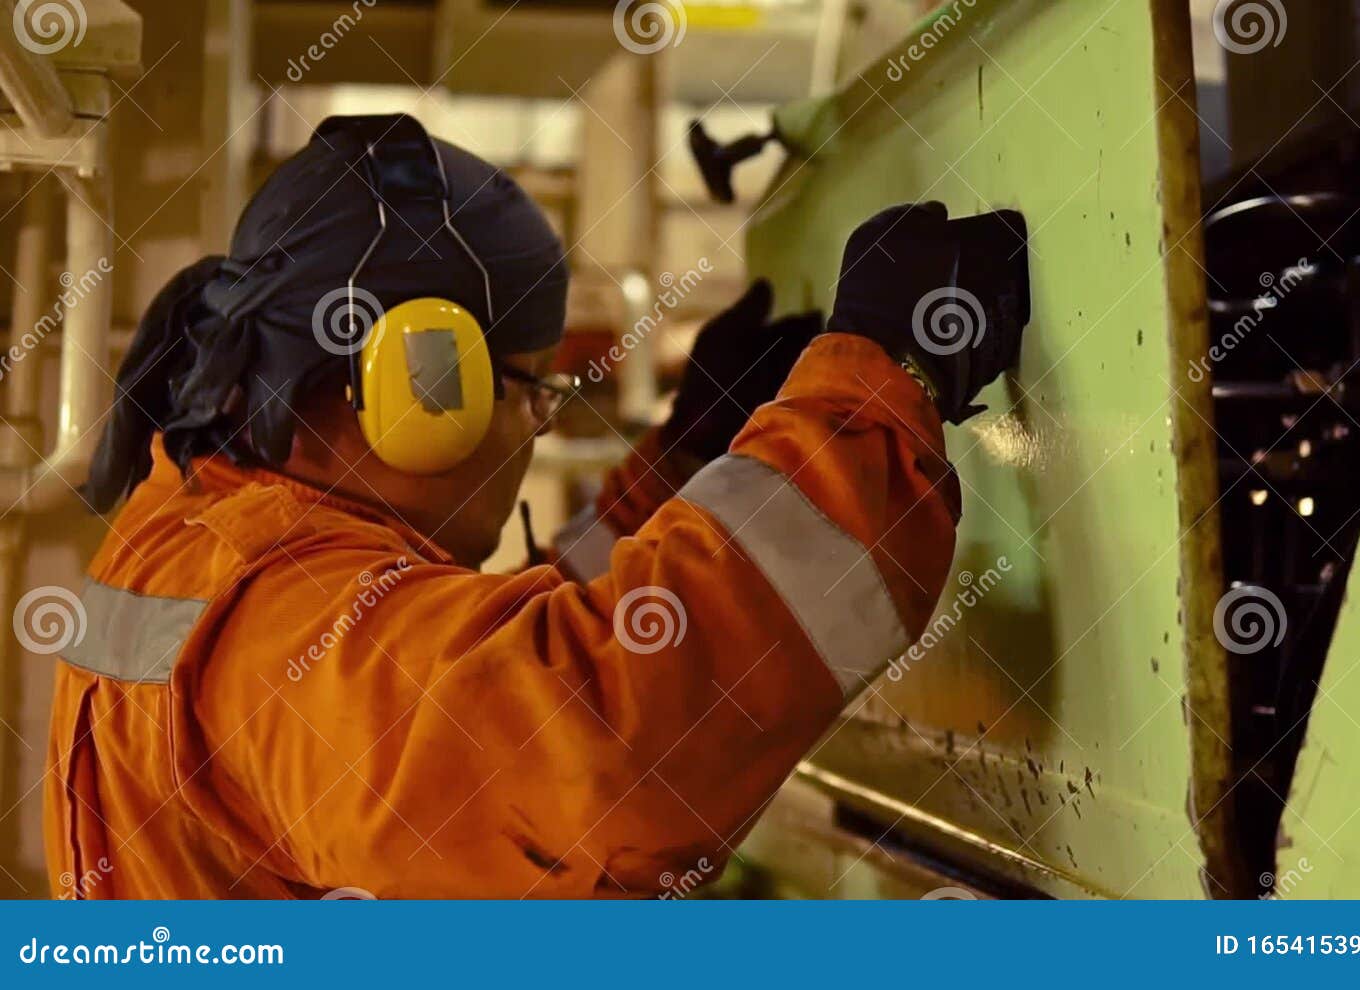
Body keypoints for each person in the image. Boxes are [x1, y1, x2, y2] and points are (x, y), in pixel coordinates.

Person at [45, 114, 1028, 898]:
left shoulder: (198, 538)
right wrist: (873, 390)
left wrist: (677, 469)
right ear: (424, 383)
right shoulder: (276, 627)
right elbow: (601, 750)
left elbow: (474, 671)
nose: (538, 431)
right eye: (532, 391)